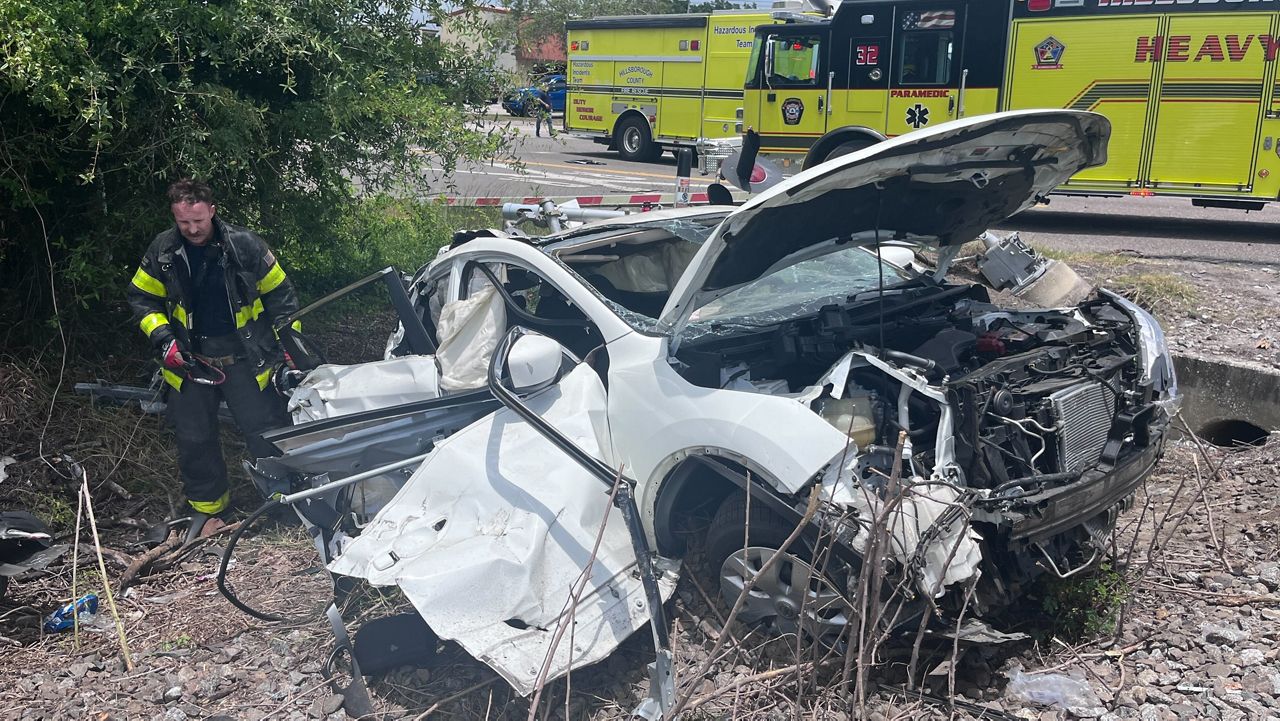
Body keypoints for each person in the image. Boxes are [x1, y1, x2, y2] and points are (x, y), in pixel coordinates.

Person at [127, 179, 300, 539]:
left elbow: (282, 298)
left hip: (245, 358)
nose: (191, 230)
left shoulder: (245, 246)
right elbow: (141, 299)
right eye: (183, 223)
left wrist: (291, 349)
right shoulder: (163, 250)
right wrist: (163, 340)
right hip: (189, 362)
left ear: (212, 211)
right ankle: (208, 510)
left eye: (198, 222)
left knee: (265, 429)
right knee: (195, 438)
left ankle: (283, 501)